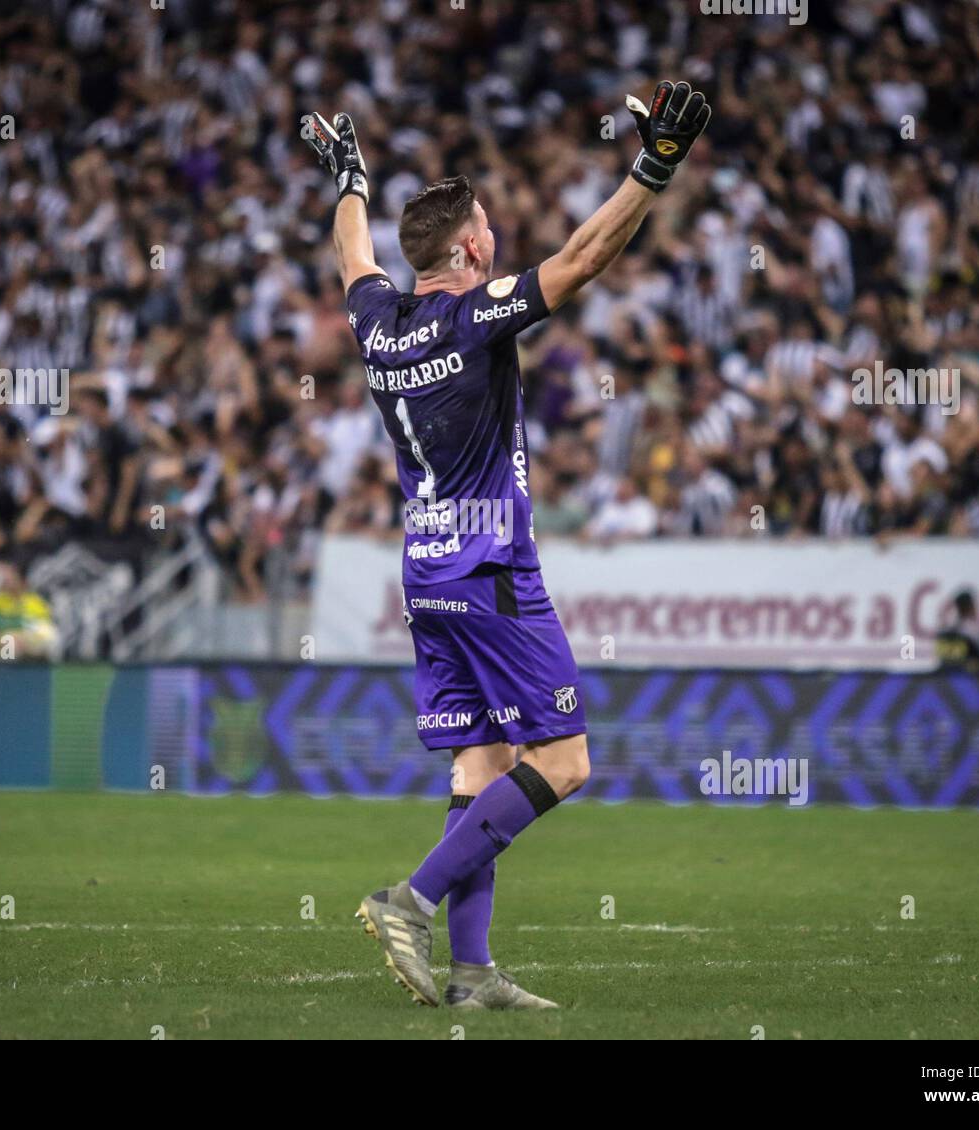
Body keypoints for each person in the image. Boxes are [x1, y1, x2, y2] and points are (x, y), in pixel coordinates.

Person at [303, 80, 711, 1008]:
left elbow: (351, 252)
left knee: (480, 766)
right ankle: (408, 898)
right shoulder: (474, 314)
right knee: (563, 762)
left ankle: (473, 973)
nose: (496, 236)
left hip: (425, 573)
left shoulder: (379, 324)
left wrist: (349, 179)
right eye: (486, 228)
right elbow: (585, 257)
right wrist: (655, 167)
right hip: (491, 571)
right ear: (470, 250)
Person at [0, 573, 58, 662]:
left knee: (51, 637)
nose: (9, 583)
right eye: (6, 581)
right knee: (10, 642)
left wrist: (24, 639)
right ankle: (9, 674)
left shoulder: (35, 602)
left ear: (22, 582)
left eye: (13, 580)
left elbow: (46, 632)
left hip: (27, 645)